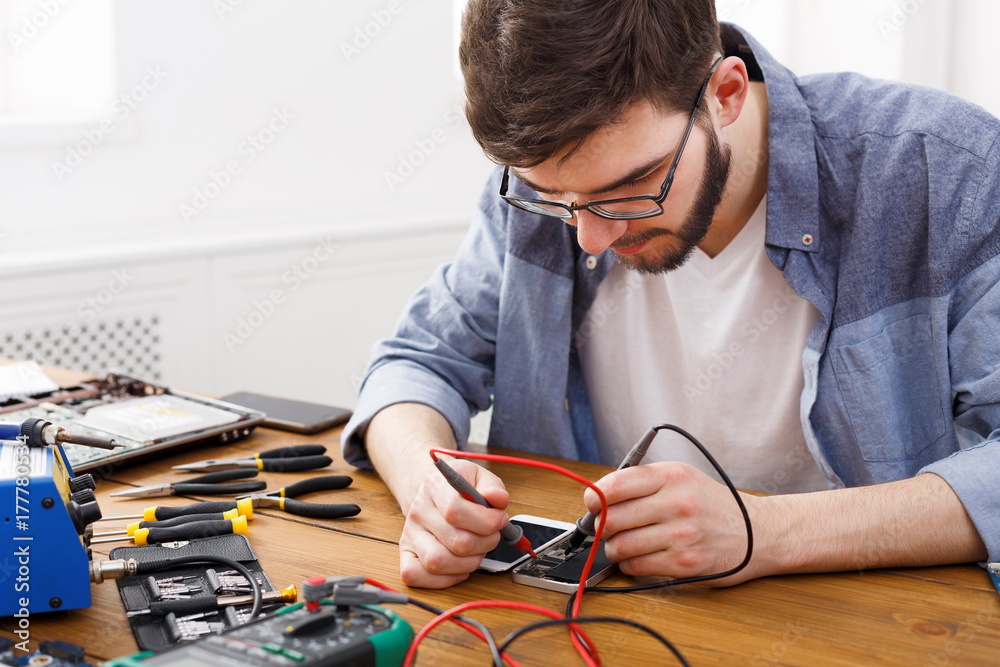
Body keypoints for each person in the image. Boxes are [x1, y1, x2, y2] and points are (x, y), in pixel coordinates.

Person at [342, 0, 998, 589]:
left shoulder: (942, 170)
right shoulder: (548, 192)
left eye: (633, 185)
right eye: (559, 200)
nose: (592, 237)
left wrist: (766, 532)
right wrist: (428, 485)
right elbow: (417, 361)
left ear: (726, 94)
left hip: (867, 629)